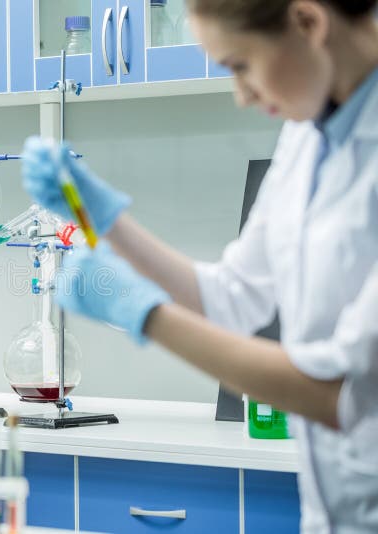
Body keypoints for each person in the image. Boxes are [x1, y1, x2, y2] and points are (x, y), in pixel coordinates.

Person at [22, 0, 378, 531]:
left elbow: (337, 394)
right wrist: (107, 219)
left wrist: (147, 316)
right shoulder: (308, 134)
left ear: (309, 23)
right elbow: (230, 297)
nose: (241, 95)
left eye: (240, 65)